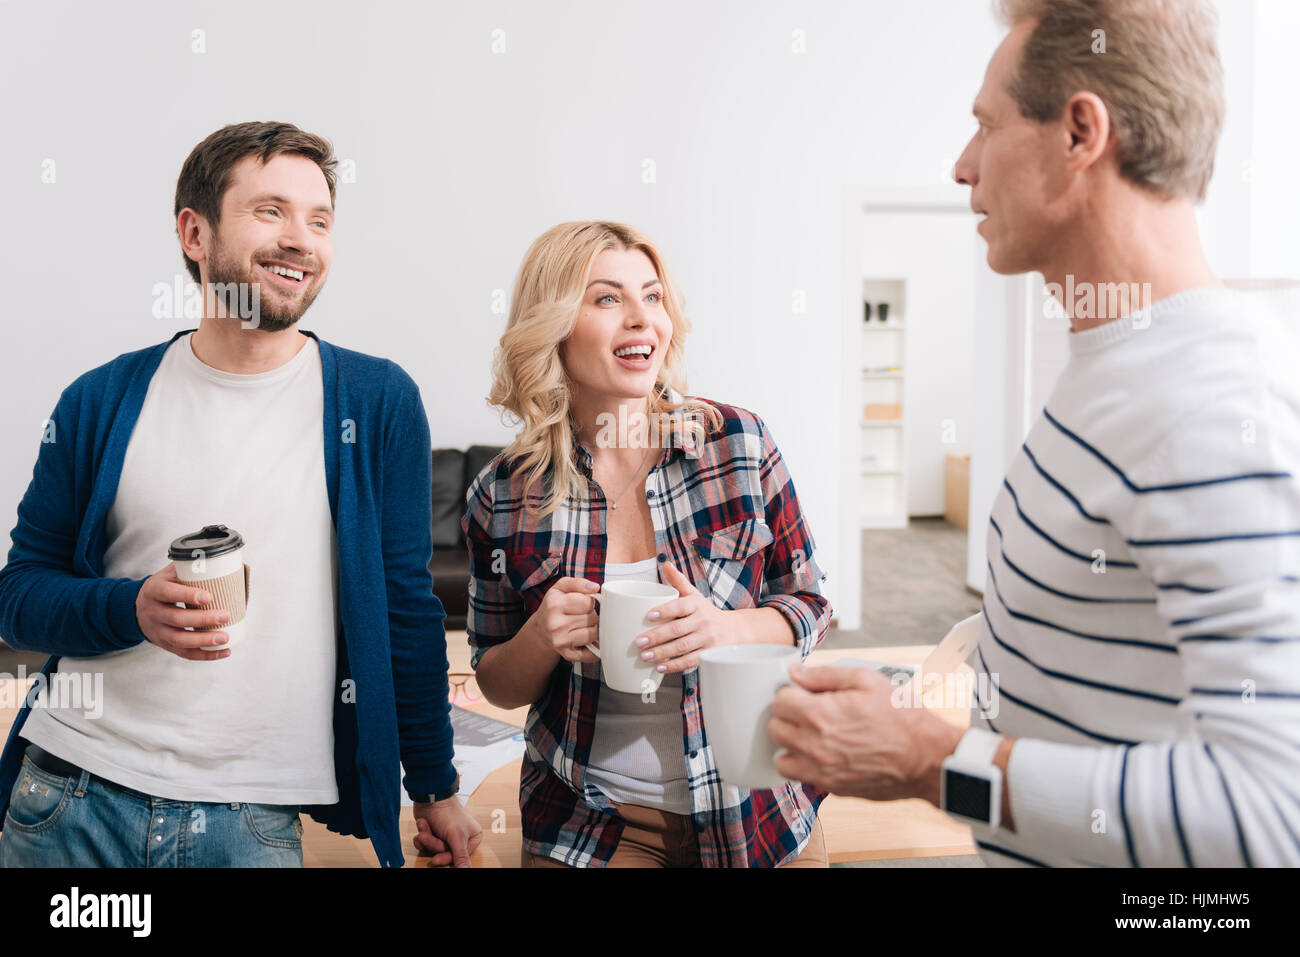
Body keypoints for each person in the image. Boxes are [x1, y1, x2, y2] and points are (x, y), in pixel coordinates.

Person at [771, 0, 1300, 866]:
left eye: (987, 126)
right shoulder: (1115, 365)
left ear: (1080, 133)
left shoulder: (1213, 399)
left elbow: (1271, 815)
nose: (962, 164)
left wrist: (922, 759)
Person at [0, 121, 481, 868]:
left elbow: (405, 609)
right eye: (271, 211)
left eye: (319, 220)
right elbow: (20, 594)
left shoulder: (376, 401)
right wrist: (129, 607)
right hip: (71, 796)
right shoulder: (99, 400)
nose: (301, 239)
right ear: (195, 232)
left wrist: (435, 783)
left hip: (250, 818)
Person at [463, 221, 831, 867]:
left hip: (756, 809)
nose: (642, 319)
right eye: (607, 298)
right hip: (589, 822)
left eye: (653, 296)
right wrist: (540, 638)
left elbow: (809, 606)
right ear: (553, 324)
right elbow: (497, 682)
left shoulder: (738, 442)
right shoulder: (503, 492)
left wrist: (723, 628)